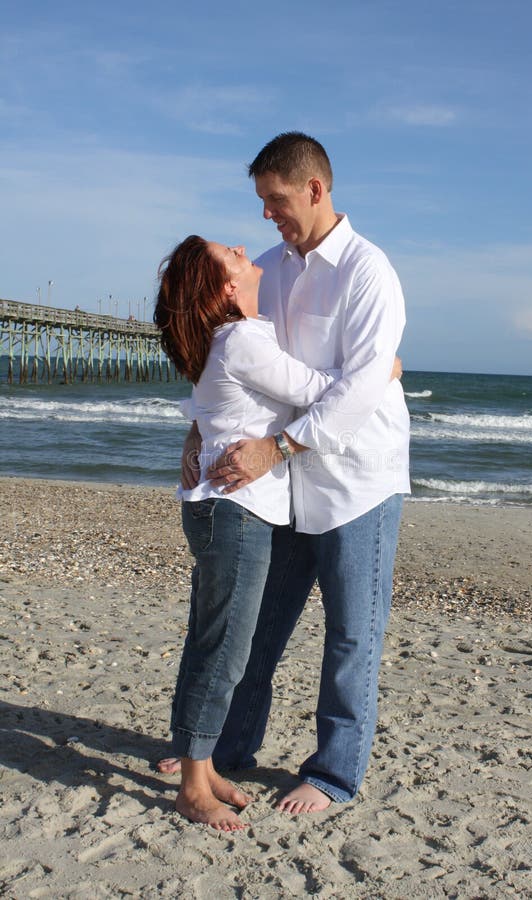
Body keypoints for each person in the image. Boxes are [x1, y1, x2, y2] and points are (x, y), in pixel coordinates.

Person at [163, 131, 411, 814]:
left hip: (358, 478)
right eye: (261, 203)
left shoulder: (368, 270)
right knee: (258, 627)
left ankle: (333, 774)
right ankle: (221, 749)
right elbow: (227, 362)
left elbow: (358, 391)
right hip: (277, 490)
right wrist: (198, 428)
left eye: (276, 200)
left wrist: (276, 449)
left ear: (315, 190)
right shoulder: (267, 267)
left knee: (351, 633)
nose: (267, 215)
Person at [154, 234, 342, 829]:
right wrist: (381, 370)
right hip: (234, 512)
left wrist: (196, 438)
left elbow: (210, 408)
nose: (243, 246)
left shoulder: (228, 338)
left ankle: (202, 766)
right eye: (231, 254)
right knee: (226, 648)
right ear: (229, 289)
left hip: (222, 508)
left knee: (213, 639)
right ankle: (192, 787)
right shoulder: (240, 339)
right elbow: (321, 395)